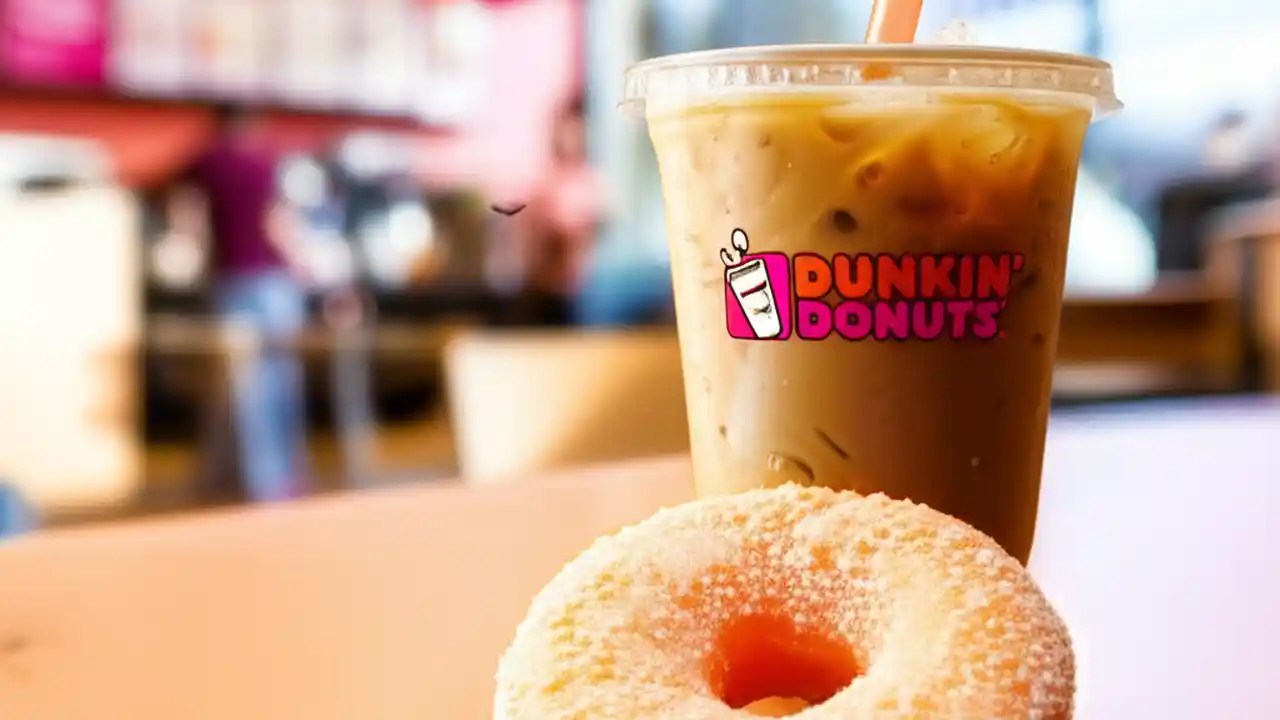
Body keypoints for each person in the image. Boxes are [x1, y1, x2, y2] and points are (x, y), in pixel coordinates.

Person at [183, 105, 312, 502]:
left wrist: (204, 257)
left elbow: (189, 216)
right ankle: (286, 478)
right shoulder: (265, 163)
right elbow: (278, 221)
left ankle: (259, 481)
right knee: (282, 383)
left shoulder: (205, 163)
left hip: (231, 282)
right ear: (253, 126)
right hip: (274, 283)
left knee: (244, 389)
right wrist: (305, 266)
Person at [512, 93, 608, 325]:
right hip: (542, 292)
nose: (572, 136)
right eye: (566, 128)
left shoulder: (592, 184)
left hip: (583, 293)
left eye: (578, 129)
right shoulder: (543, 184)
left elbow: (600, 234)